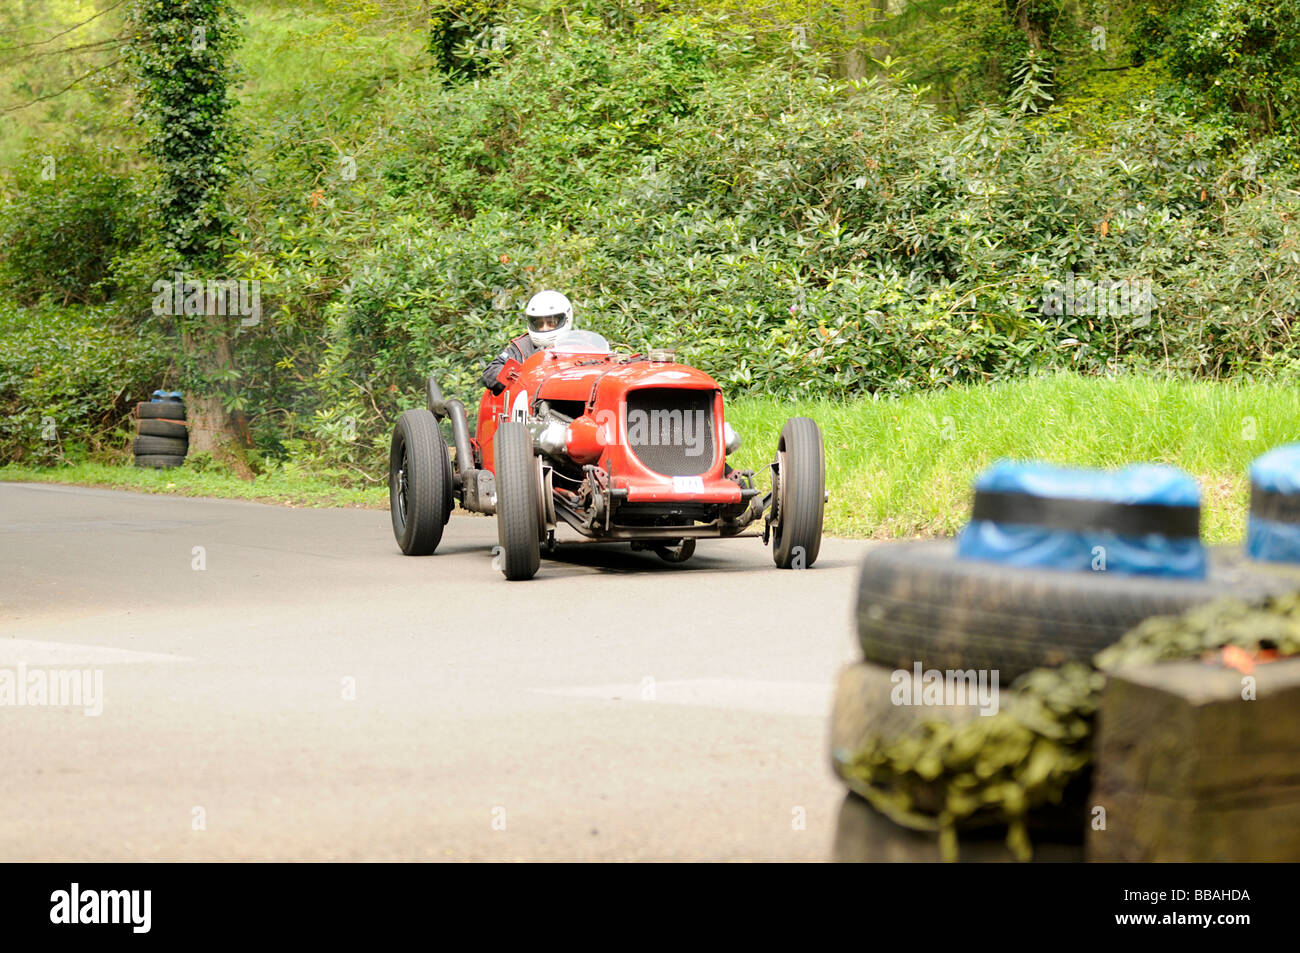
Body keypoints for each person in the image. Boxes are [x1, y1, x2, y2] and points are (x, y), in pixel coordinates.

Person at [480, 290, 574, 394]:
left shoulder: (577, 344)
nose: (544, 328)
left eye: (551, 322)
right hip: (529, 404)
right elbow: (490, 372)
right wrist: (518, 376)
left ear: (566, 319)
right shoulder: (521, 347)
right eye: (539, 323)